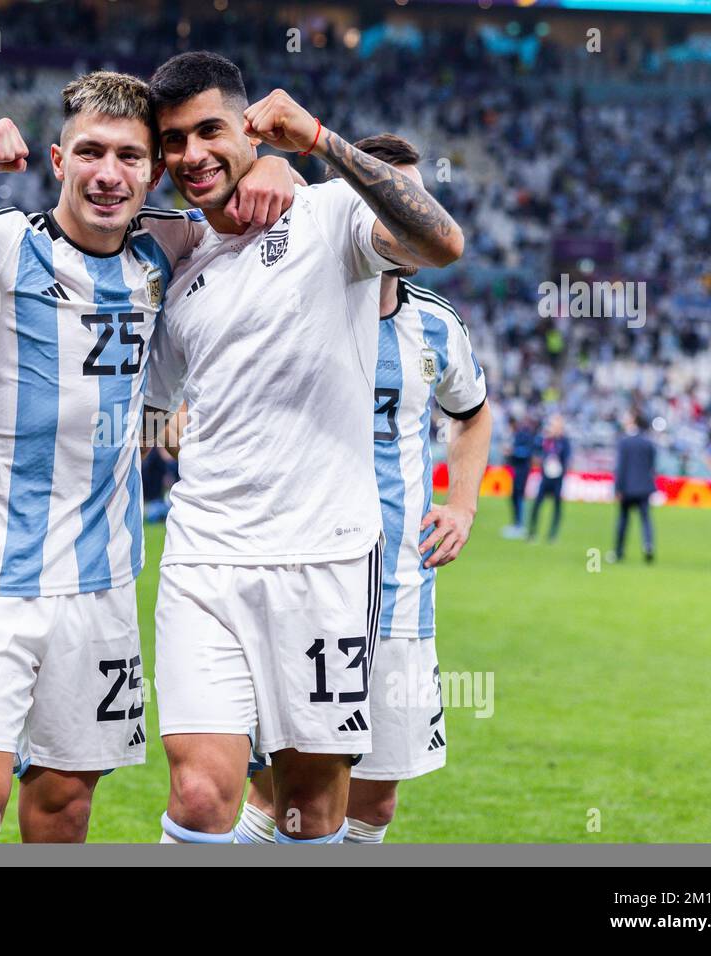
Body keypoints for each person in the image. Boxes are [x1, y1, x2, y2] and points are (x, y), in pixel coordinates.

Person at [0, 69, 296, 844]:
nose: (108, 174)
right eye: (90, 152)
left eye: (128, 157)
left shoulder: (170, 247)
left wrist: (277, 162)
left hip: (101, 587)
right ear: (57, 160)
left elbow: (263, 208)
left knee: (64, 810)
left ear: (151, 173)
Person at [142, 54, 463, 844]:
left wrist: (318, 142)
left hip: (326, 561)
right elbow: (137, 399)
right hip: (206, 561)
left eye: (209, 130)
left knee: (312, 809)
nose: (193, 155)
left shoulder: (329, 217)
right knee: (199, 793)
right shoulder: (177, 270)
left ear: (249, 125)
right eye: (174, 141)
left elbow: (441, 240)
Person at [234, 134, 490, 845]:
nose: (403, 213)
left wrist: (462, 502)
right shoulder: (290, 303)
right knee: (284, 798)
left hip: (402, 592)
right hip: (301, 578)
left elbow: (471, 412)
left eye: (414, 199)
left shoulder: (435, 324)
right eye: (382, 195)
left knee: (373, 806)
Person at [613, 410, 657, 563]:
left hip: (627, 488)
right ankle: (648, 545)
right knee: (645, 519)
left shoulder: (624, 442)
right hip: (644, 487)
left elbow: (620, 467)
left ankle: (618, 551)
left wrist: (617, 488)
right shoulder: (648, 442)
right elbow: (652, 466)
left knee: (623, 520)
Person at [528, 414, 571, 543]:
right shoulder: (545, 440)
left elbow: (567, 457)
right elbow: (537, 451)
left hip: (558, 478)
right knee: (537, 504)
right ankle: (532, 532)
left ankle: (553, 534)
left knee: (557, 507)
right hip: (545, 477)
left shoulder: (564, 442)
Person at [502, 415, 536, 539]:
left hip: (522, 470)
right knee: (514, 496)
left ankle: (520, 525)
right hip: (516, 469)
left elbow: (527, 452)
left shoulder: (524, 435)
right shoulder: (516, 435)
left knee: (519, 496)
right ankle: (516, 523)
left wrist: (513, 451)